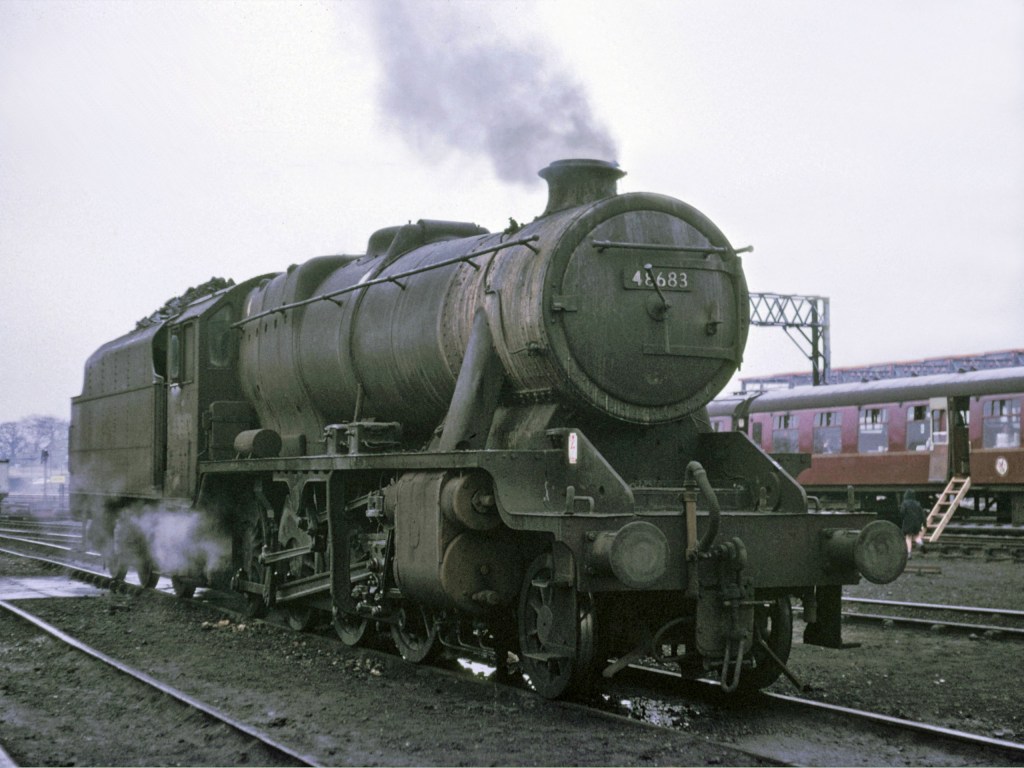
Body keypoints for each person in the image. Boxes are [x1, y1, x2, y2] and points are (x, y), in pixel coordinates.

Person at [899, 490, 926, 557]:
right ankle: (921, 544)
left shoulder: (905, 503)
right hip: (917, 523)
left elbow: (902, 513)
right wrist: (924, 523)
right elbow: (922, 514)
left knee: (908, 537)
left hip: (908, 522)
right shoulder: (917, 504)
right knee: (916, 536)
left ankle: (909, 554)